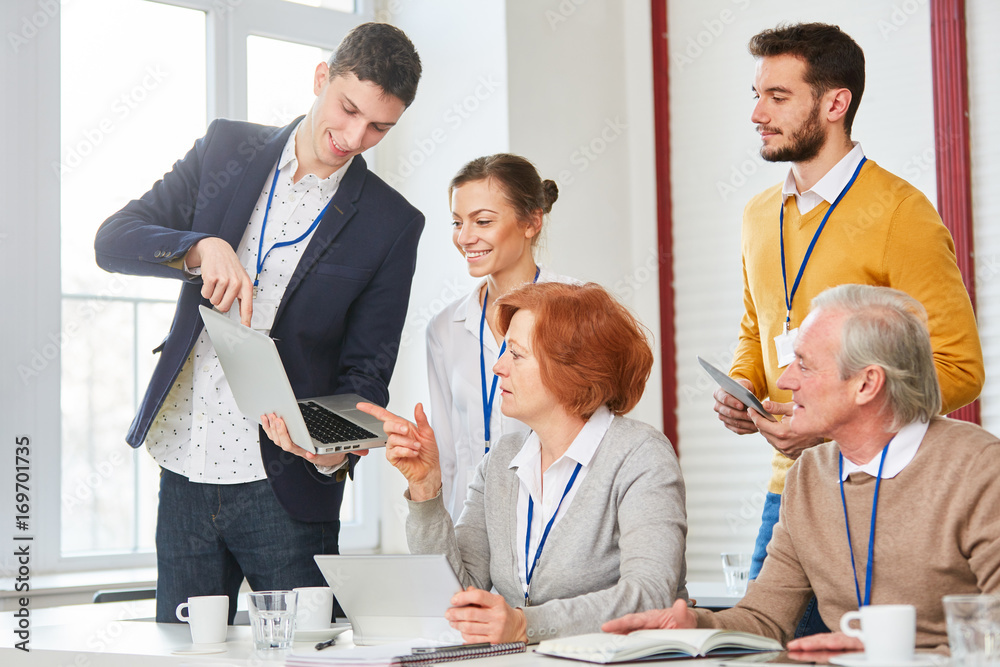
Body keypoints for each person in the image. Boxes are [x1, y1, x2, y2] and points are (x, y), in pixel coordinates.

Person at [94, 23, 423, 623]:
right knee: (187, 659)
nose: (355, 137)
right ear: (322, 78)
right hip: (185, 469)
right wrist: (199, 248)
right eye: (348, 110)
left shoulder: (392, 223)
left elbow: (367, 375)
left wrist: (325, 449)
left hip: (289, 489)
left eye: (379, 127)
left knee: (308, 660)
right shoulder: (226, 149)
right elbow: (113, 240)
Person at [713, 22, 984, 595]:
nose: (758, 113)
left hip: (878, 492)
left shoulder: (900, 214)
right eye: (756, 96)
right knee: (764, 652)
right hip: (787, 491)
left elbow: (960, 369)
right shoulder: (758, 214)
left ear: (836, 103)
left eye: (778, 97)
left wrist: (837, 417)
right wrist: (742, 385)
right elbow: (756, 326)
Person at [606, 284, 1000, 653]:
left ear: (866, 384)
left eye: (804, 365)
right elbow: (763, 618)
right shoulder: (809, 474)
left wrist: (891, 655)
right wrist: (695, 624)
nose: (784, 380)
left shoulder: (980, 468)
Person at [354, 282, 688, 643]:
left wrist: (525, 624)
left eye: (515, 354)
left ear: (571, 370)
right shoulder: (502, 459)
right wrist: (425, 489)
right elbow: (460, 595)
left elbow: (650, 594)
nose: (498, 367)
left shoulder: (640, 454)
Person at [428, 154, 577, 520]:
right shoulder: (444, 328)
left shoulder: (577, 308)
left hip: (554, 524)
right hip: (472, 529)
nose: (464, 237)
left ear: (531, 222)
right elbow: (448, 456)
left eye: (482, 221)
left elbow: (601, 440)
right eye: (457, 222)